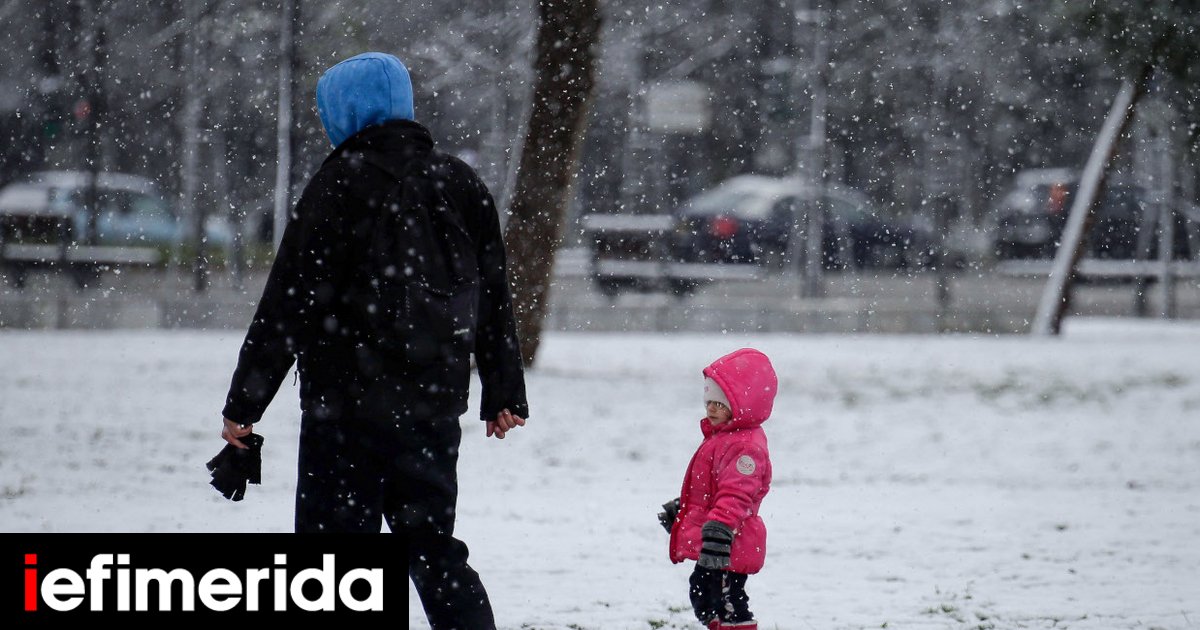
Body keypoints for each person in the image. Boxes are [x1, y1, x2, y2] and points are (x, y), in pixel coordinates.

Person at [217, 52, 528, 630]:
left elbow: (289, 303)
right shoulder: (459, 183)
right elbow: (492, 293)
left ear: (345, 112)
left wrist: (245, 401)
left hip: (345, 406)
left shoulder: (336, 185)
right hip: (432, 404)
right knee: (432, 547)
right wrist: (503, 389)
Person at [659, 348, 775, 630]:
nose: (711, 409)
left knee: (727, 603)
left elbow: (737, 495)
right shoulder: (723, 438)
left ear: (743, 405)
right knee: (705, 597)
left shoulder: (745, 447)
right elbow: (711, 488)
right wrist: (686, 511)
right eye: (709, 401)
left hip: (731, 541)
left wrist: (719, 530)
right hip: (721, 541)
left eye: (720, 404)